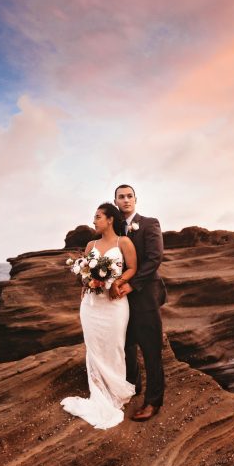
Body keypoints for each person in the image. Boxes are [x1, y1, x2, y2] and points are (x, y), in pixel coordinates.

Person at [61, 203, 138, 429]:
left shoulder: (123, 242)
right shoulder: (90, 245)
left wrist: (117, 282)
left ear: (110, 219)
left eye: (98, 217)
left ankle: (115, 393)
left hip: (114, 304)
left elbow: (133, 268)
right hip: (91, 304)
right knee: (94, 348)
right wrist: (87, 283)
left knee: (114, 346)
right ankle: (98, 393)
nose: (94, 221)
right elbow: (84, 274)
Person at [112, 184, 167, 422]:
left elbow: (155, 258)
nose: (126, 200)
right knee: (126, 345)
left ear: (136, 199)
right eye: (121, 197)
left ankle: (154, 402)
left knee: (151, 348)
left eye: (129, 196)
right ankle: (133, 387)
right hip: (120, 299)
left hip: (144, 294)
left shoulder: (149, 223)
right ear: (115, 202)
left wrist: (133, 284)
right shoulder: (114, 229)